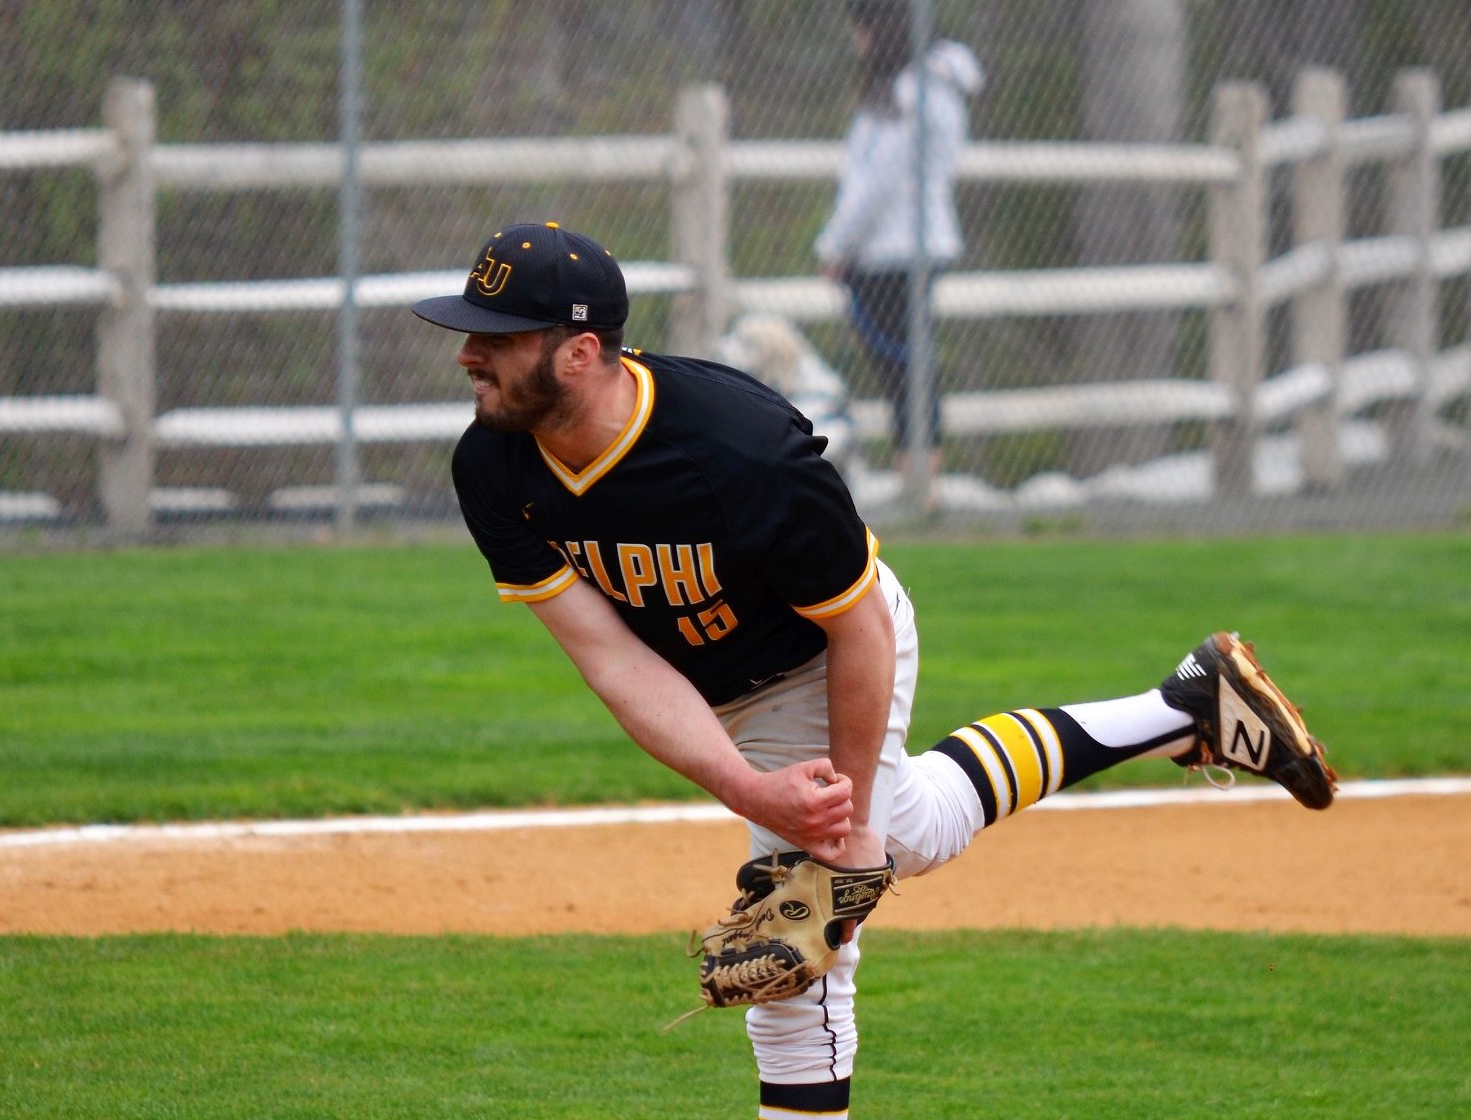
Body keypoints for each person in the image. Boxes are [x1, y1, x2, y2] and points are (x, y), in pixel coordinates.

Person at [414, 221, 1336, 1120]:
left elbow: (856, 628)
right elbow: (614, 660)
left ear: (579, 352)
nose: (468, 354)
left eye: (496, 337)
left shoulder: (741, 450)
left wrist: (835, 833)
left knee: (798, 945)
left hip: (823, 654)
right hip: (716, 687)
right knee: (913, 835)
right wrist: (753, 788)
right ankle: (1185, 704)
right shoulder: (492, 467)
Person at [813, 0, 984, 499]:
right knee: (909, 366)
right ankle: (919, 478)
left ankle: (919, 483)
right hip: (916, 244)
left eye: (860, 30)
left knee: (903, 369)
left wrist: (835, 245)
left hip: (891, 251)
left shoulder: (909, 96)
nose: (855, 41)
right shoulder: (936, 91)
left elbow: (876, 183)